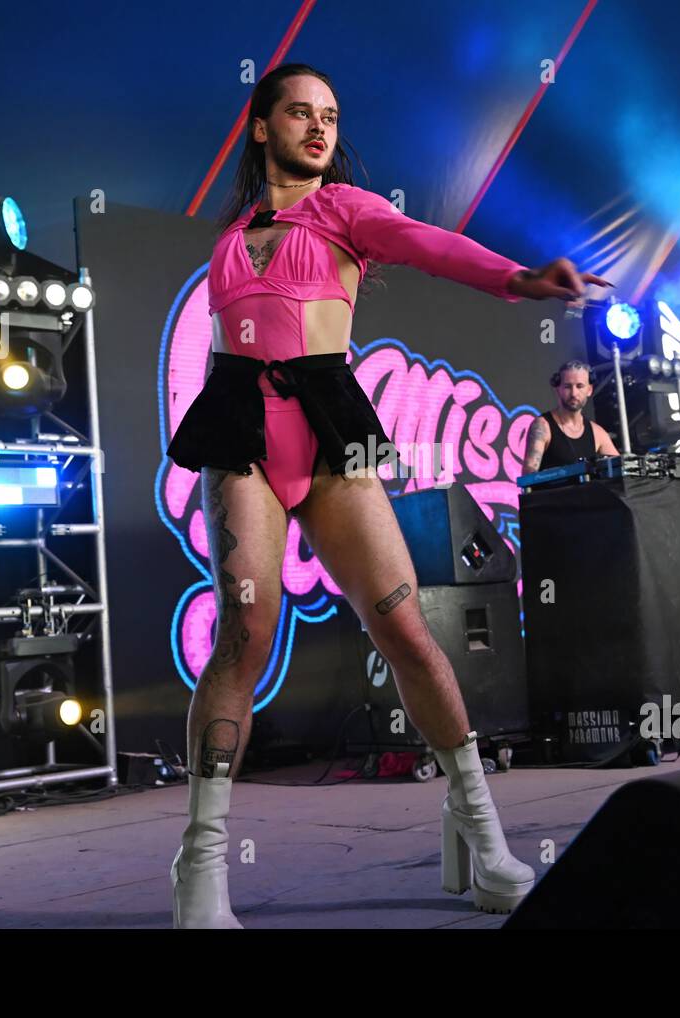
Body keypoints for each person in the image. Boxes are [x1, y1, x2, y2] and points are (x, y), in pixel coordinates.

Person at [166, 62, 610, 928]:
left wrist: (519, 280)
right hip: (242, 437)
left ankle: (482, 840)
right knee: (246, 627)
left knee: (405, 626)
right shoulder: (230, 237)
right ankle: (201, 868)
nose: (320, 128)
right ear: (262, 128)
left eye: (330, 115)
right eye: (299, 113)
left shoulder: (348, 211)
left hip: (331, 437)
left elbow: (434, 247)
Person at [523, 360, 621, 472]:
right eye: (567, 387)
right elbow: (528, 475)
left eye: (580, 386)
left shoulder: (597, 432)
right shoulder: (543, 425)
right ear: (557, 389)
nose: (574, 393)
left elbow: (622, 467)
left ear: (589, 390)